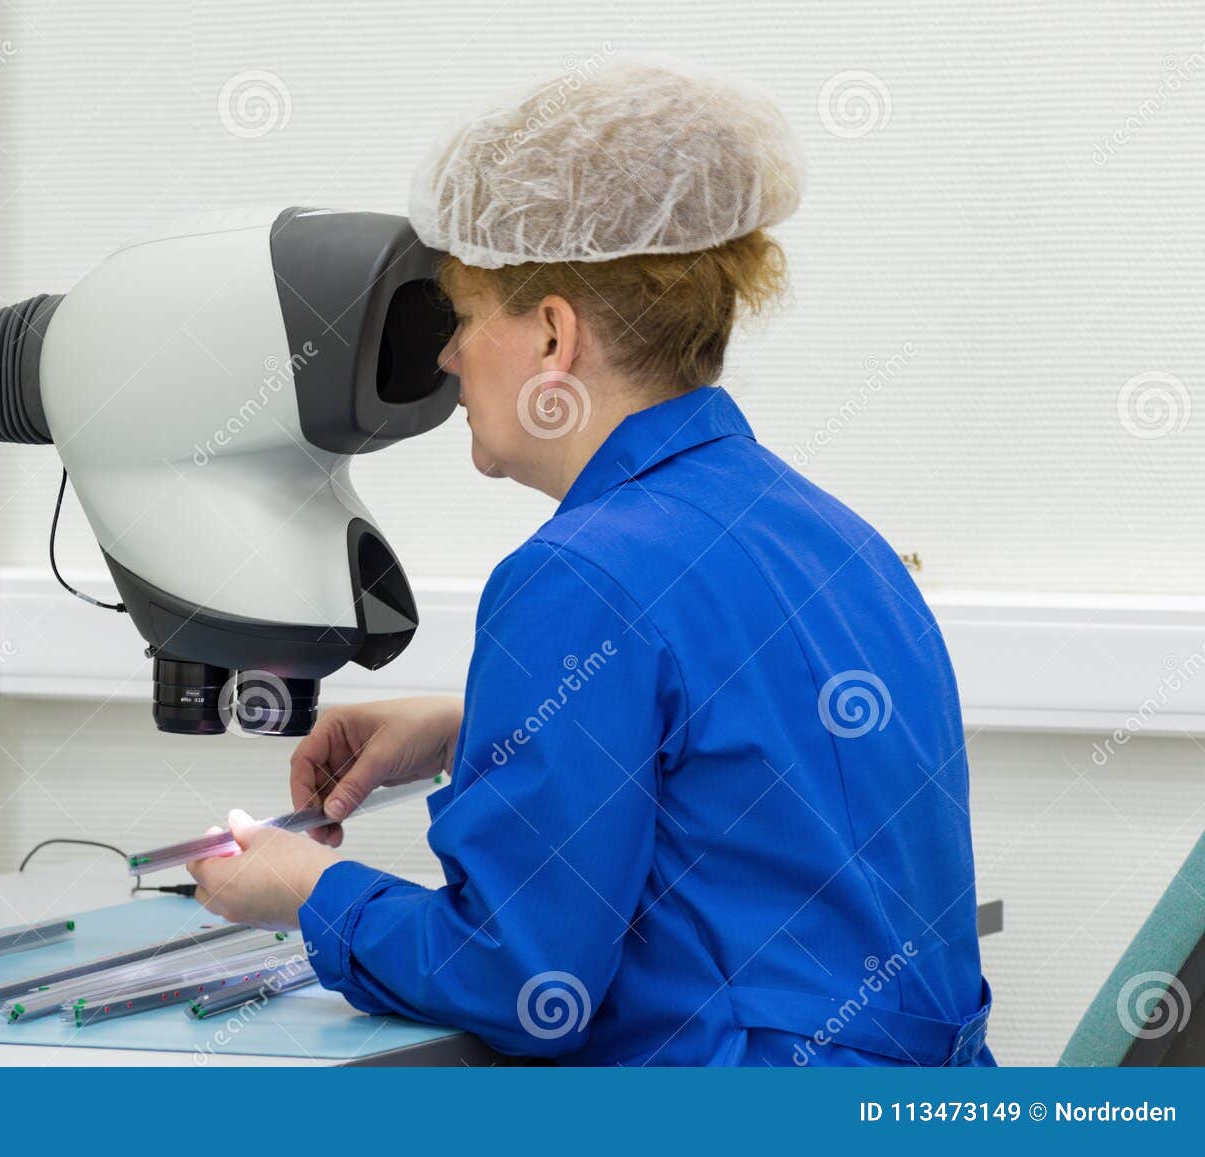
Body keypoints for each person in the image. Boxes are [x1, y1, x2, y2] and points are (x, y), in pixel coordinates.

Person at [187, 60, 992, 1067]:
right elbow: (751, 756)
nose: (446, 358)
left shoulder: (577, 574)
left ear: (554, 335)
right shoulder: (828, 534)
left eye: (466, 316)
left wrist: (305, 892)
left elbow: (523, 980)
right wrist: (472, 726)